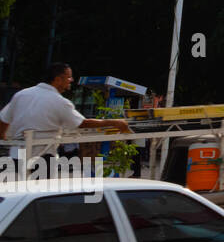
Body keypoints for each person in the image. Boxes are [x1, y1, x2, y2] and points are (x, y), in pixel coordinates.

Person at [0, 63, 131, 170]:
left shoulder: (21, 95)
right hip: (42, 159)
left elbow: (4, 119)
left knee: (18, 196)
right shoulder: (59, 101)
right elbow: (82, 123)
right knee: (42, 197)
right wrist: (114, 122)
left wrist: (3, 137)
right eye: (68, 77)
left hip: (16, 157)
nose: (71, 80)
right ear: (58, 79)